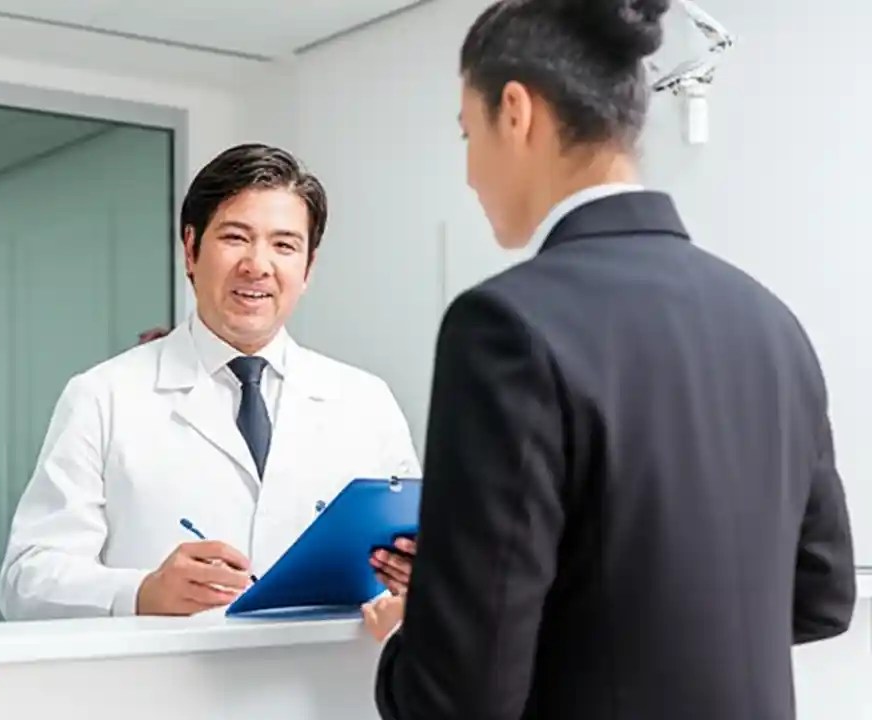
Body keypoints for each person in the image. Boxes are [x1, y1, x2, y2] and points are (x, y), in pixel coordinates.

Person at [362, 0, 856, 718]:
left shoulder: (505, 326)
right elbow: (821, 596)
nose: (469, 174)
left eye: (467, 134)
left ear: (515, 112)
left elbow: (461, 698)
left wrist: (411, 642)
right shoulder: (772, 324)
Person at [0, 143, 422, 620]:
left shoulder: (366, 402)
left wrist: (418, 576)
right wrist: (142, 592)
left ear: (308, 269)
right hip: (168, 689)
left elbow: (420, 557)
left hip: (323, 686)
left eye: (284, 245)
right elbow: (25, 580)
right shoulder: (103, 396)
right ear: (191, 249)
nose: (258, 265)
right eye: (235, 237)